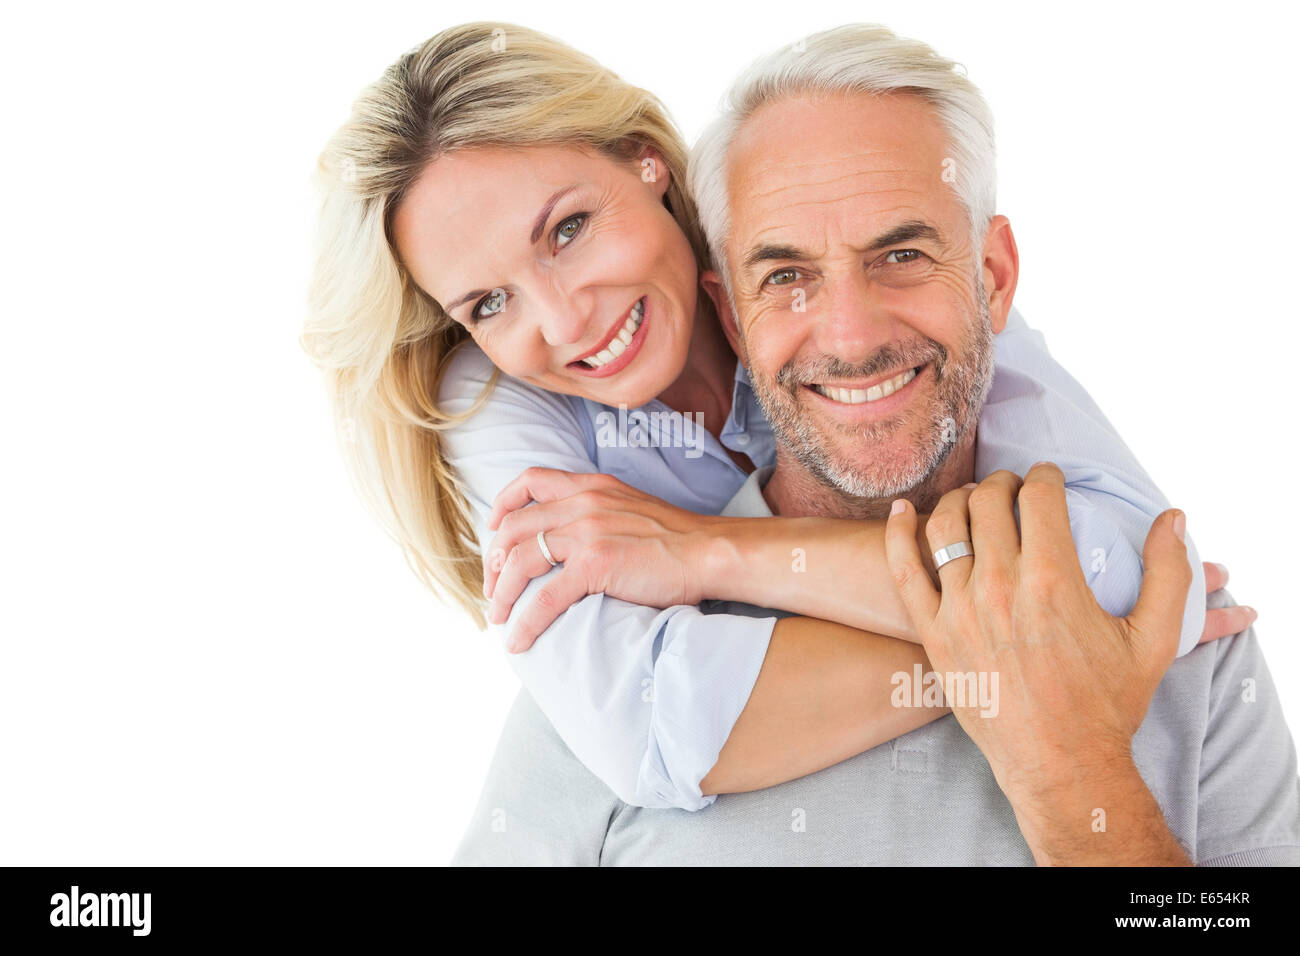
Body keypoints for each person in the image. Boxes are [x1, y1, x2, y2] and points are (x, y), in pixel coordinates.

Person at [301, 22, 1241, 812]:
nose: (562, 319)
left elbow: (1120, 557)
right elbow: (655, 730)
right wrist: (1033, 662)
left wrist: (707, 549)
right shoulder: (497, 404)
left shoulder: (844, 247)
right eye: (488, 303)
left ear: (648, 162)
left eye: (568, 230)